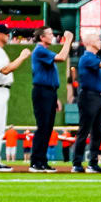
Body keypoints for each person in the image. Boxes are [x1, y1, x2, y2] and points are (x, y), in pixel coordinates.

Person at [0, 23, 30, 172]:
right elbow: (5, 69)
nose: (8, 35)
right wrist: (22, 57)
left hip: (0, 90)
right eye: (6, 33)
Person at [27, 26, 74, 172]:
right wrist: (68, 40)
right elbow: (61, 57)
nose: (52, 36)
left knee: (47, 128)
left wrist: (55, 98)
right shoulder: (40, 50)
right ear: (42, 37)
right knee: (43, 127)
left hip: (49, 92)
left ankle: (42, 161)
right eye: (50, 33)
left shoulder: (44, 51)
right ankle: (35, 162)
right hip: (42, 91)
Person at [73, 30, 101, 173]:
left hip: (97, 96)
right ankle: (77, 163)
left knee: (98, 131)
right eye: (97, 40)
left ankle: (93, 163)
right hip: (88, 96)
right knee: (84, 130)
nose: (100, 42)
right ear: (90, 43)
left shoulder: (94, 57)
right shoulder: (87, 57)